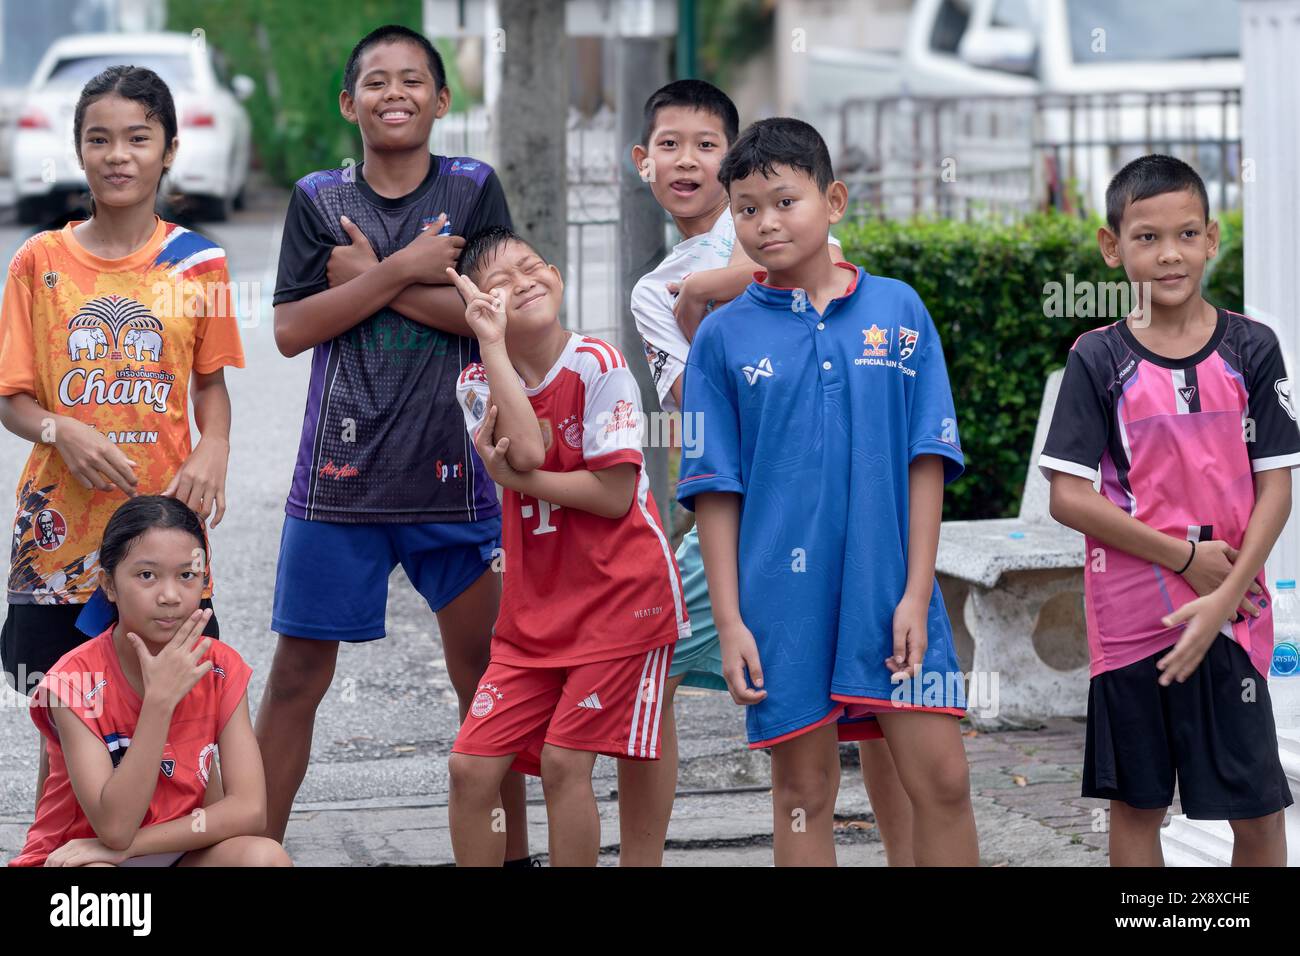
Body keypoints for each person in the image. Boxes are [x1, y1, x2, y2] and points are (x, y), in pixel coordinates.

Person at [256, 24, 531, 862]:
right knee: (297, 678)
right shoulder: (316, 199)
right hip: (338, 484)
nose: (395, 93)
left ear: (443, 101)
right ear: (349, 103)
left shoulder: (474, 187)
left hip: (456, 477)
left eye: (414, 80)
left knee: (486, 684)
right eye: (375, 82)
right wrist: (406, 268)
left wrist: (380, 277)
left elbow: (498, 319)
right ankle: (249, 849)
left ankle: (509, 854)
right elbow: (294, 331)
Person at [627, 78, 916, 865]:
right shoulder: (656, 291)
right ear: (641, 162)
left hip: (850, 508)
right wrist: (708, 303)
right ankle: (642, 853)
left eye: (706, 145)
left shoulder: (770, 214)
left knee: (884, 704)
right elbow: (705, 422)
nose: (687, 161)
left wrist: (729, 283)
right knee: (644, 656)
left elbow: (836, 283)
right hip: (750, 511)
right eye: (668, 146)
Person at [678, 117, 979, 866]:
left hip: (889, 591)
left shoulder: (899, 312)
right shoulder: (722, 338)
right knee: (803, 793)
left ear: (834, 201)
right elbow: (716, 490)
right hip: (780, 599)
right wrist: (730, 618)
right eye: (746, 209)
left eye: (785, 201)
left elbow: (926, 461)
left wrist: (915, 593)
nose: (765, 222)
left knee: (941, 779)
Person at [1040, 154, 1298, 866]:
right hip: (1131, 623)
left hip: (1235, 615)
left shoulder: (1253, 347)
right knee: (1138, 806)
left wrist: (1220, 598)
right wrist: (1185, 559)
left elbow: (1276, 486)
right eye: (1147, 238)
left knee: (1259, 811)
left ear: (1213, 239)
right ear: (1111, 246)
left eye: (1186, 234)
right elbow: (1069, 495)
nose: (1169, 254)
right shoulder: (1098, 358)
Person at [0, 65, 243, 809]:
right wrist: (57, 426)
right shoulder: (38, 261)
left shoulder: (199, 262)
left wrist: (214, 447)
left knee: (187, 726)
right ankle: (58, 863)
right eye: (99, 139)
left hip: (159, 549)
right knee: (60, 733)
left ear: (169, 150)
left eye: (138, 138)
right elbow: (11, 398)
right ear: (78, 151)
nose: (118, 155)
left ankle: (193, 849)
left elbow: (211, 388)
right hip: (57, 548)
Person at [445, 226, 688, 866]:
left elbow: (611, 494)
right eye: (499, 282)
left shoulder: (599, 364)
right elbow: (524, 447)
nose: (523, 282)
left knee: (562, 762)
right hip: (534, 616)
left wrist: (513, 479)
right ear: (476, 305)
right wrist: (493, 346)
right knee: (471, 769)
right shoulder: (475, 381)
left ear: (556, 273)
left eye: (532, 267)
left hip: (621, 600)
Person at [9, 496, 288, 867]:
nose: (170, 596)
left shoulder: (220, 668)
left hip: (167, 848)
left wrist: (135, 846)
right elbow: (114, 828)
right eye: (147, 576)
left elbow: (250, 810)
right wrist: (160, 701)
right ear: (109, 585)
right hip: (79, 854)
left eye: (186, 575)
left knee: (265, 857)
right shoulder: (72, 682)